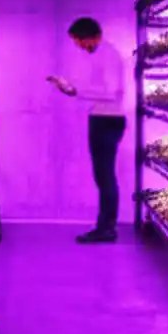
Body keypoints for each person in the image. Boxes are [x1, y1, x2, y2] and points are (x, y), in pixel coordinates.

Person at [47, 17, 127, 244]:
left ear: (89, 37)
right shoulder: (102, 54)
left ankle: (106, 228)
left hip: (107, 120)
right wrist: (71, 89)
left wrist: (75, 90)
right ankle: (105, 226)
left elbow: (111, 92)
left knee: (105, 176)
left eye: (78, 42)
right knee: (103, 176)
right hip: (103, 119)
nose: (78, 47)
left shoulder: (108, 55)